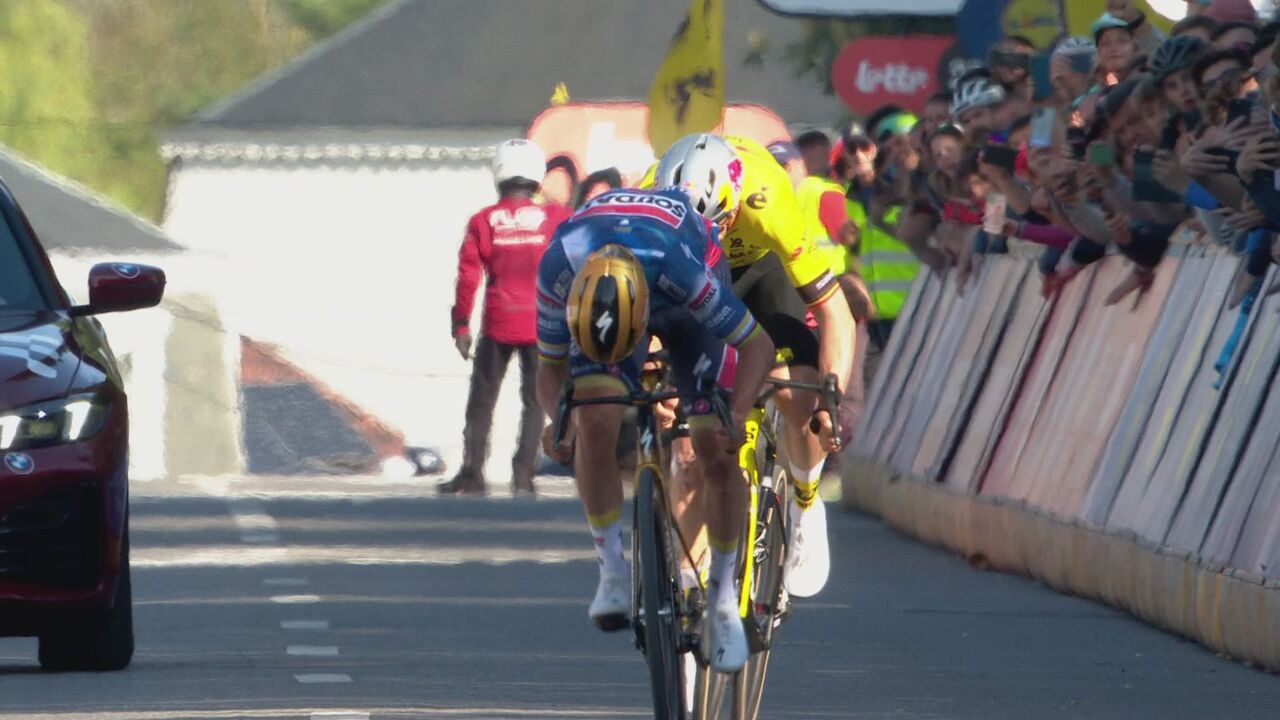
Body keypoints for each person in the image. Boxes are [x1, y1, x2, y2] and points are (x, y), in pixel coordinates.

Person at [535, 187, 775, 672]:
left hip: (682, 298)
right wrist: (559, 422)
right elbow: (549, 367)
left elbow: (758, 346)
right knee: (593, 418)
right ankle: (611, 571)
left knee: (713, 446)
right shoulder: (558, 268)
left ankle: (722, 600)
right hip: (612, 282)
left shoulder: (684, 270)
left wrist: (738, 413)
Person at [655, 133, 856, 599]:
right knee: (688, 445)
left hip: (762, 268)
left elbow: (836, 313)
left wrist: (831, 400)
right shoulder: (651, 201)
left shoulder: (769, 203)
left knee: (798, 390)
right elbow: (641, 304)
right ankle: (689, 589)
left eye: (717, 223)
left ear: (734, 203)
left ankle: (805, 501)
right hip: (689, 273)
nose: (710, 234)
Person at [442, 139, 570, 496]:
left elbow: (468, 276)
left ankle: (472, 473)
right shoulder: (557, 218)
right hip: (543, 324)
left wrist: (461, 325)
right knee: (536, 402)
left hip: (498, 323)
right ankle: (523, 476)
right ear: (537, 175)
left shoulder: (483, 221)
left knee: (481, 401)